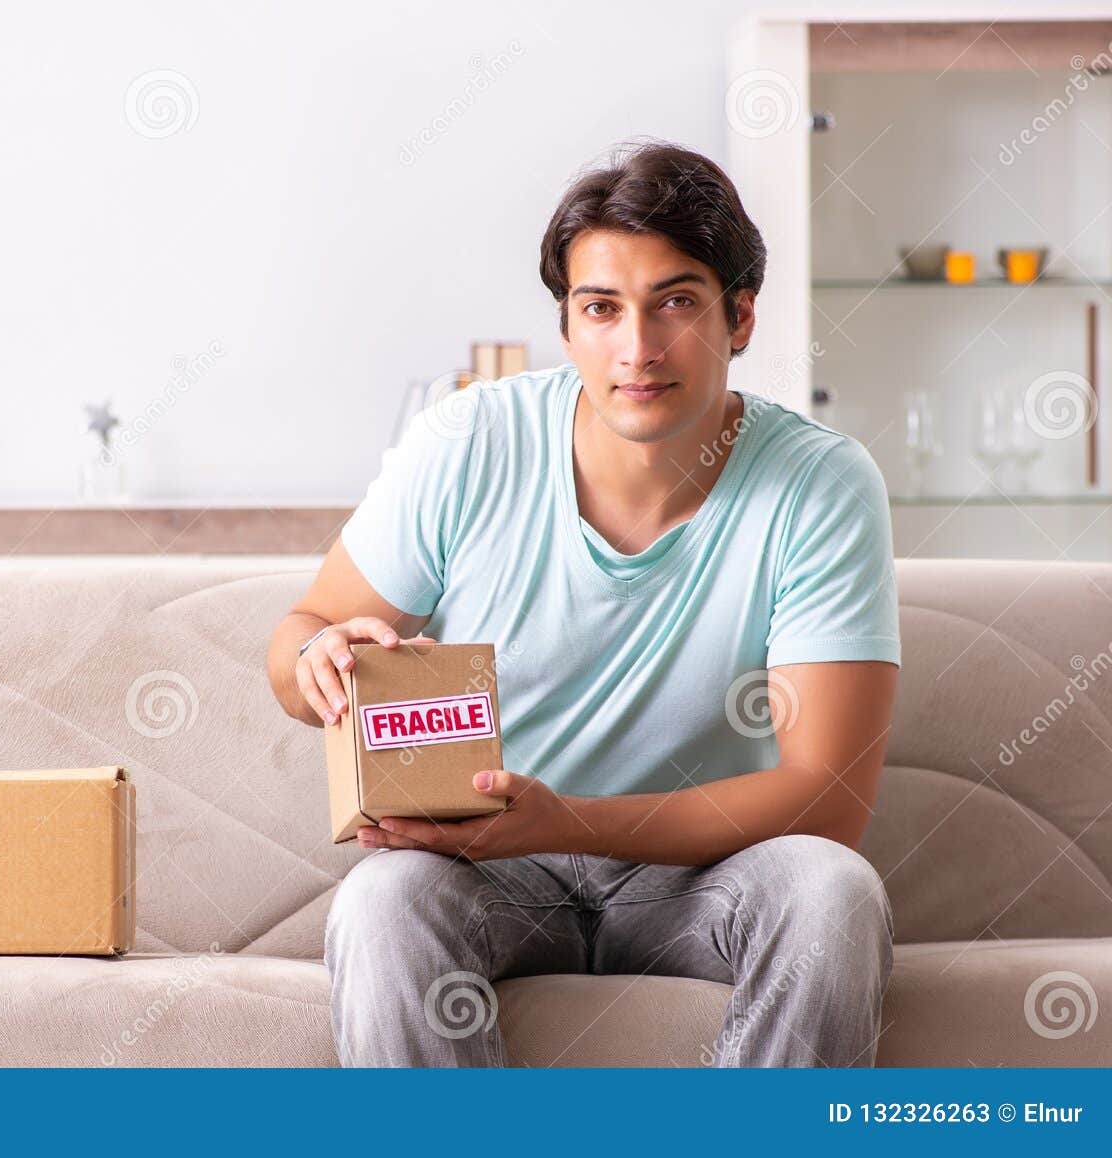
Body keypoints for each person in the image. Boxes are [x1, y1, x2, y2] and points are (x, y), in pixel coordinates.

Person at [264, 139, 900, 1067]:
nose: (637, 348)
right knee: (380, 900)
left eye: (676, 302)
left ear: (742, 317)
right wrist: (318, 660)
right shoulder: (472, 442)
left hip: (703, 877)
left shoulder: (819, 483)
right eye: (601, 308)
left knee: (831, 890)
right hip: (493, 868)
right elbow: (300, 637)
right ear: (567, 327)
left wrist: (566, 817)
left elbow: (828, 800)